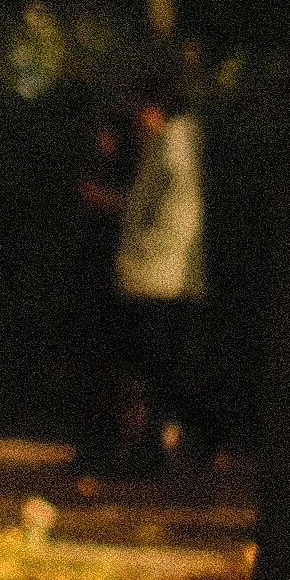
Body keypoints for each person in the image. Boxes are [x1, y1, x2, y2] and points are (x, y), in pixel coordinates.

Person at [105, 78, 210, 475]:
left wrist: (142, 253)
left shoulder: (173, 147)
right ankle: (160, 446)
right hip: (161, 276)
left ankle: (162, 448)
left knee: (158, 368)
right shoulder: (172, 145)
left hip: (158, 279)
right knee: (161, 367)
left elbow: (170, 214)